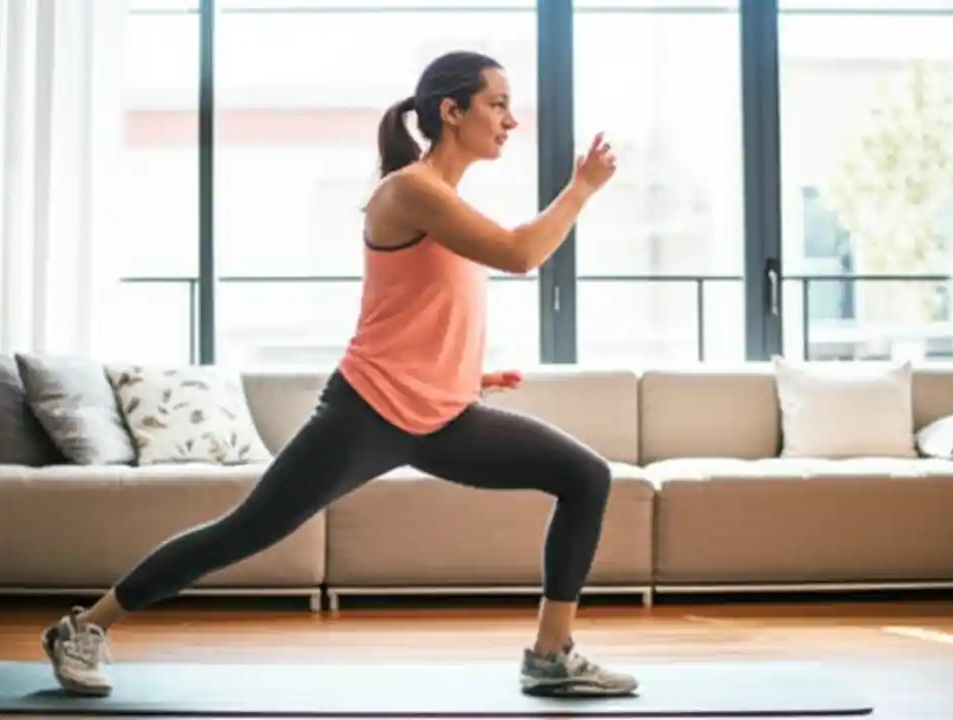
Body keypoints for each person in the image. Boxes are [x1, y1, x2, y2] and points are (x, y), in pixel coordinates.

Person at [42, 49, 635, 699]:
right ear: (451, 110)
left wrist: (462, 374)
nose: (510, 121)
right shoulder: (410, 190)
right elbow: (522, 255)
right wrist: (582, 188)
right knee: (246, 531)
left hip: (444, 416)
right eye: (497, 104)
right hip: (367, 413)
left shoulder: (446, 200)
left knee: (585, 476)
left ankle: (551, 655)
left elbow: (421, 309)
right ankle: (83, 627)